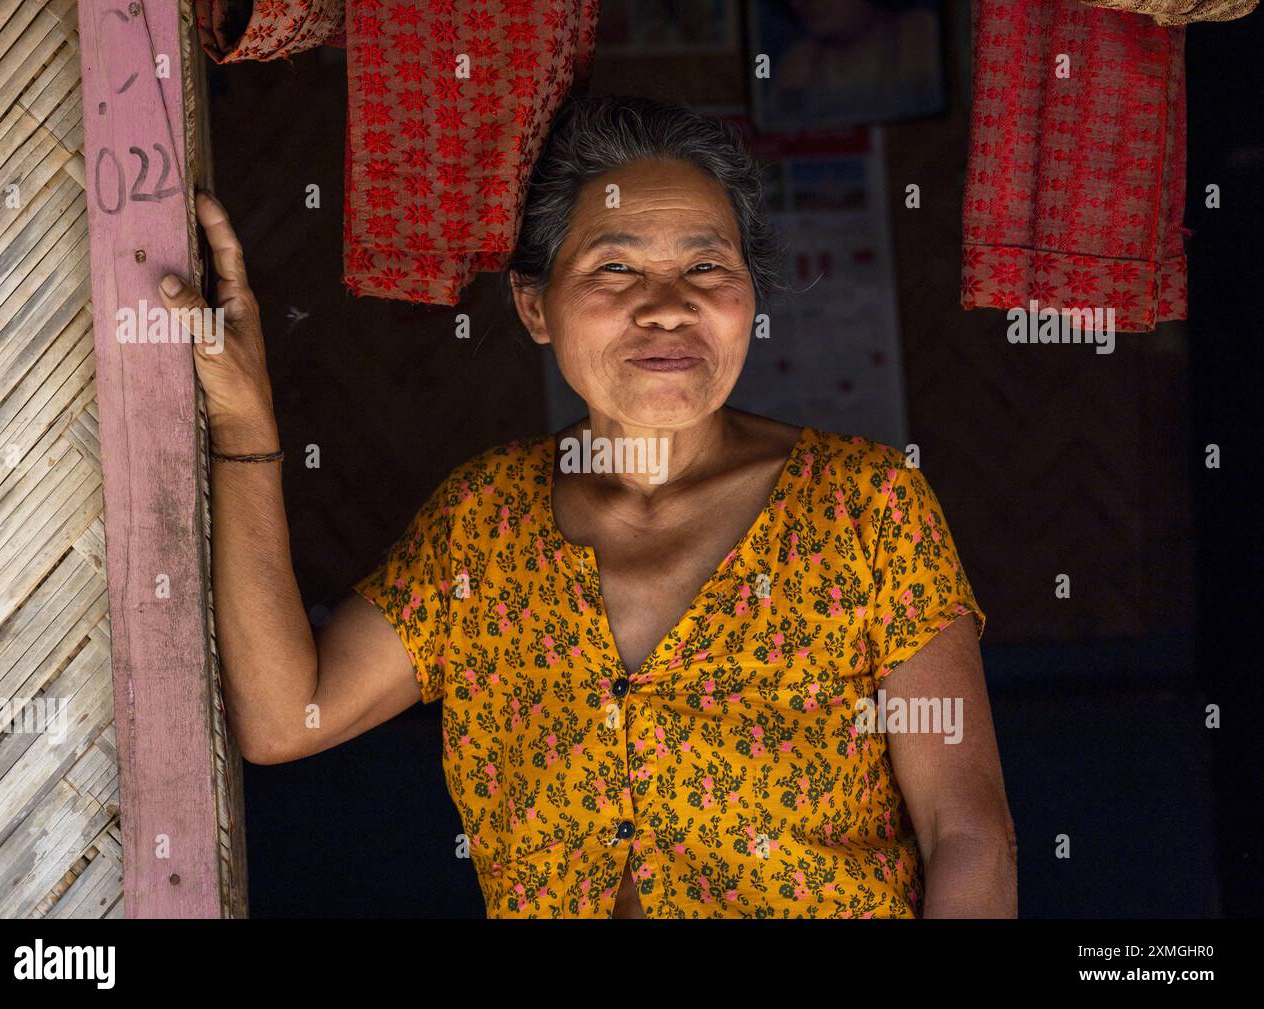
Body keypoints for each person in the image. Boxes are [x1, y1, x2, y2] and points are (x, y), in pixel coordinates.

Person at [158, 95, 1016, 919]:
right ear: (536, 305)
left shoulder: (865, 509)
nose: (668, 304)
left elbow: (966, 832)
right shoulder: (485, 526)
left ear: (748, 296)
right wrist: (245, 419)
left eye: (706, 265)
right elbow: (285, 718)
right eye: (615, 265)